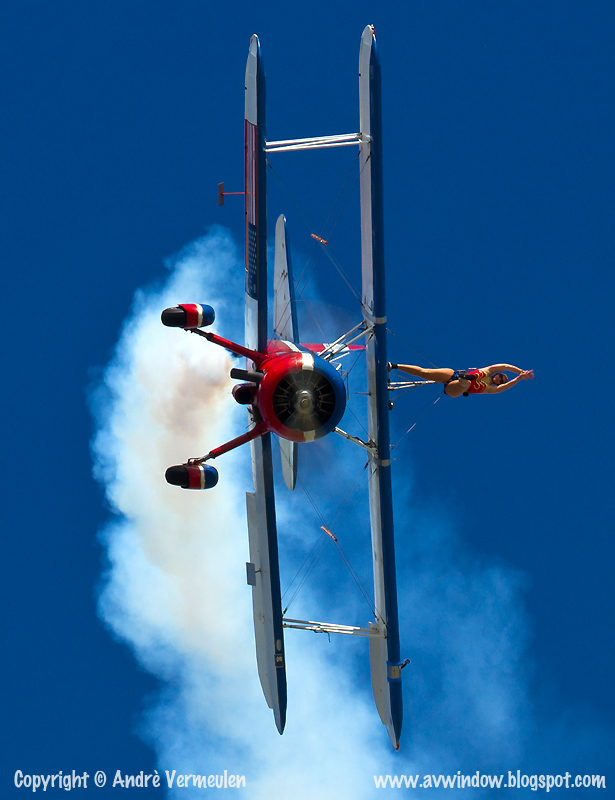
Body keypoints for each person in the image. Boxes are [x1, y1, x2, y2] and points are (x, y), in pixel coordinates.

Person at [388, 363, 534, 398]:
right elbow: (505, 366)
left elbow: (505, 387)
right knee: (426, 372)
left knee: (466, 384)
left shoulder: (490, 388)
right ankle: (394, 366)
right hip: (453, 375)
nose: (500, 379)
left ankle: (465, 379)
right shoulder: (488, 370)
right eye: (501, 376)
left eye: (501, 380)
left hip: (456, 389)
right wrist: (521, 371)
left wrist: (519, 378)